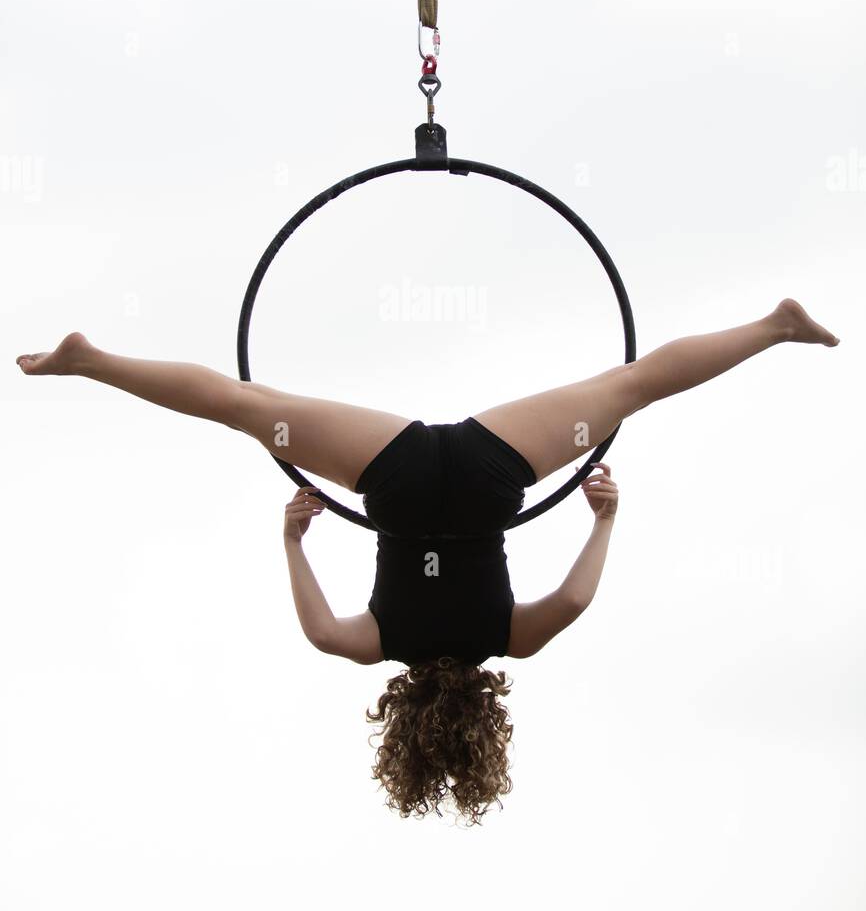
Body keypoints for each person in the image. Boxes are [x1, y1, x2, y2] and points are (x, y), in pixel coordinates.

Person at [17, 298, 838, 823]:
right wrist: (294, 541)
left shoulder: (507, 638)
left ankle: (775, 327)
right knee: (244, 409)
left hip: (489, 474)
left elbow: (577, 600)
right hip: (398, 480)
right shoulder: (383, 641)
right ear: (403, 724)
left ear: (485, 719)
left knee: (633, 385)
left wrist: (605, 517)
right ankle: (92, 362)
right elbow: (320, 633)